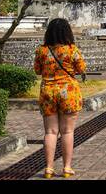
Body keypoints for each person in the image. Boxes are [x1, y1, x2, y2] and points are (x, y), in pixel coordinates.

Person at [33, 17, 87, 179]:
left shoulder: (42, 51)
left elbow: (37, 70)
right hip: (68, 92)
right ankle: (66, 167)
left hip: (48, 91)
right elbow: (81, 68)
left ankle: (49, 168)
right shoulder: (72, 50)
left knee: (50, 132)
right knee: (67, 131)